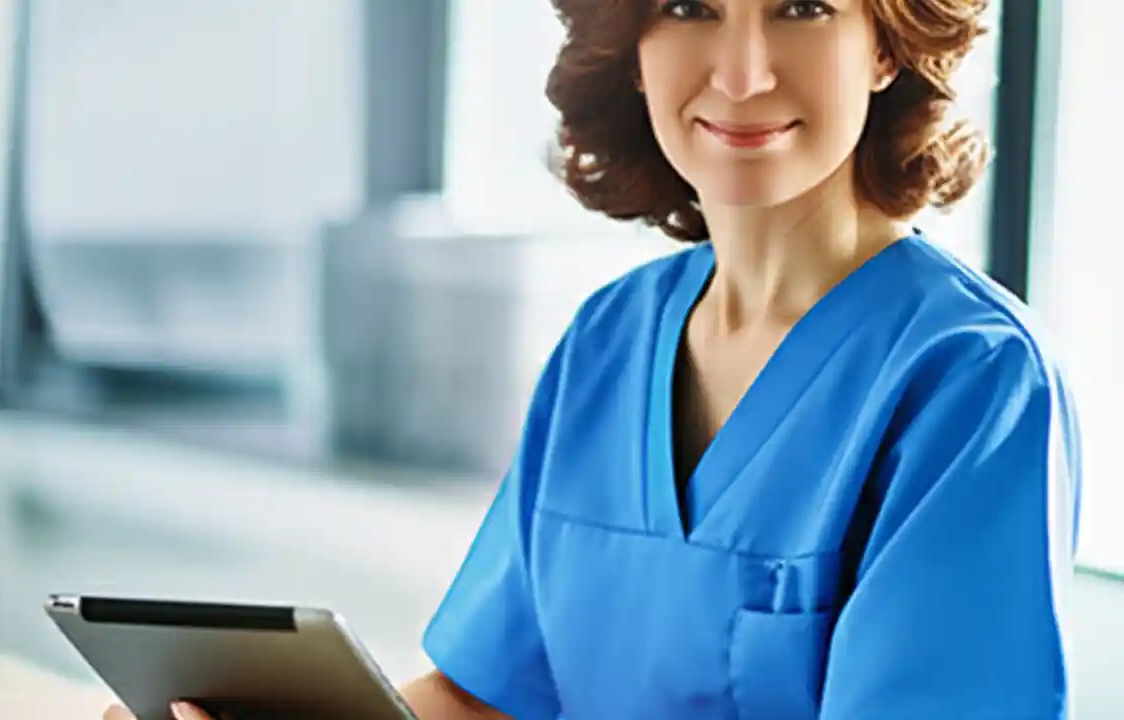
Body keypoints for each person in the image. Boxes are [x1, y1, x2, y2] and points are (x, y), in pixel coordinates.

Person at [107, 0, 1080, 717]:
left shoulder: (968, 380)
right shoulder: (608, 340)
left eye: (801, 7)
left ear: (883, 44)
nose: (741, 73)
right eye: (689, 7)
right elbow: (490, 697)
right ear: (632, 50)